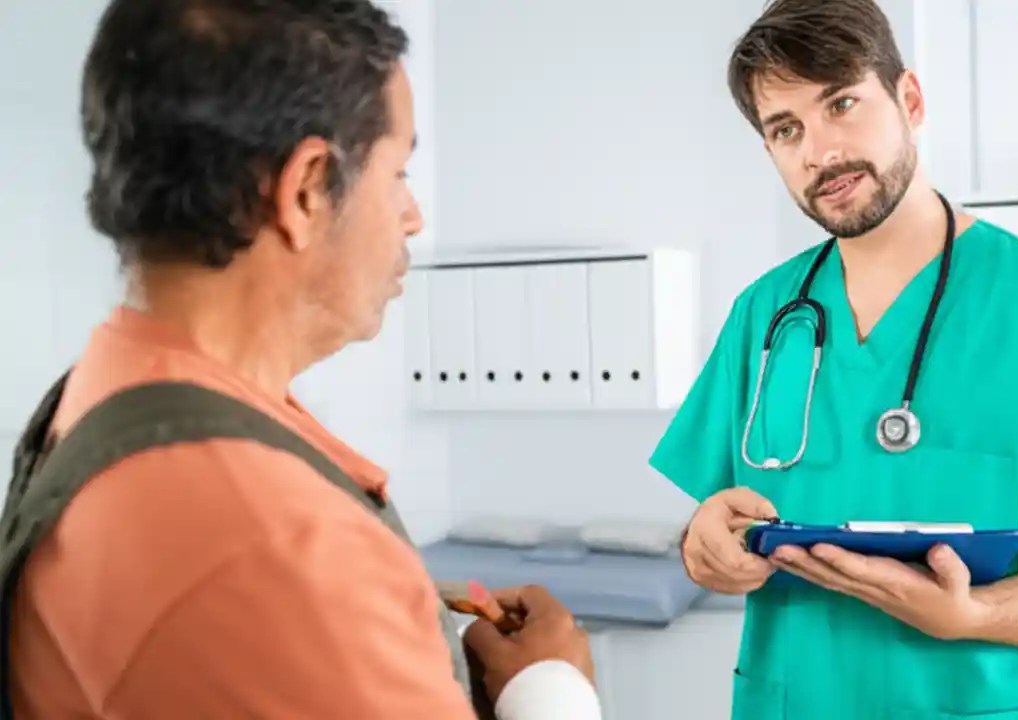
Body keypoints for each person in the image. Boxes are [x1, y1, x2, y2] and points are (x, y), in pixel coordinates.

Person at [2, 1, 599, 718]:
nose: (414, 216)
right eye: (399, 172)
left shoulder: (107, 397)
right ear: (308, 188)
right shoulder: (276, 545)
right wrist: (552, 691)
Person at [649, 1, 1018, 718]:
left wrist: (971, 616)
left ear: (910, 99)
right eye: (786, 128)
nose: (820, 150)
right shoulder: (764, 315)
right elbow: (715, 525)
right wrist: (704, 546)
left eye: (842, 104)